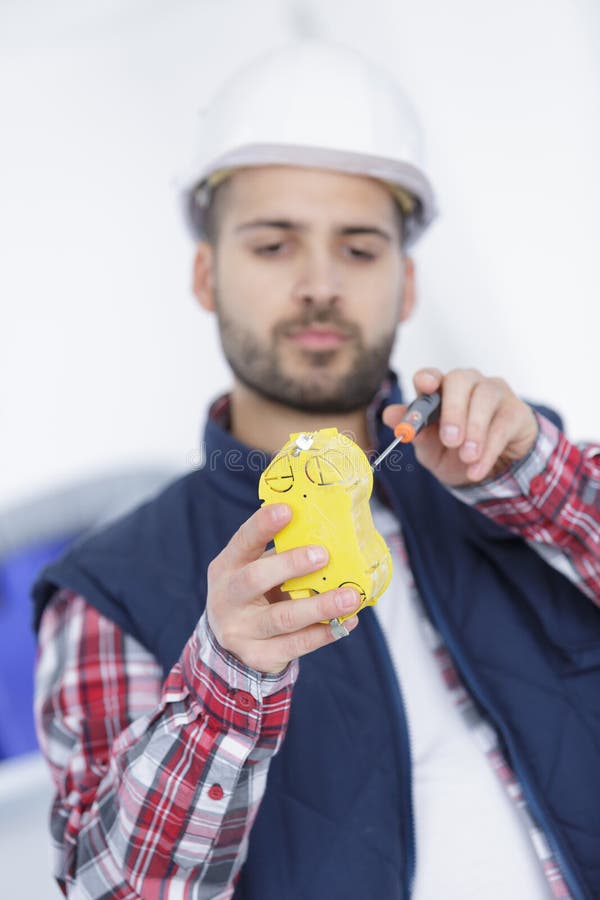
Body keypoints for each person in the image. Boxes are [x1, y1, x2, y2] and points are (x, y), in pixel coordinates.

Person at [31, 40, 600, 900]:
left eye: (361, 250)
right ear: (204, 275)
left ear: (408, 286)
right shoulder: (105, 591)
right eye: (273, 246)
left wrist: (538, 482)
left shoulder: (524, 469)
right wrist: (226, 680)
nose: (320, 285)